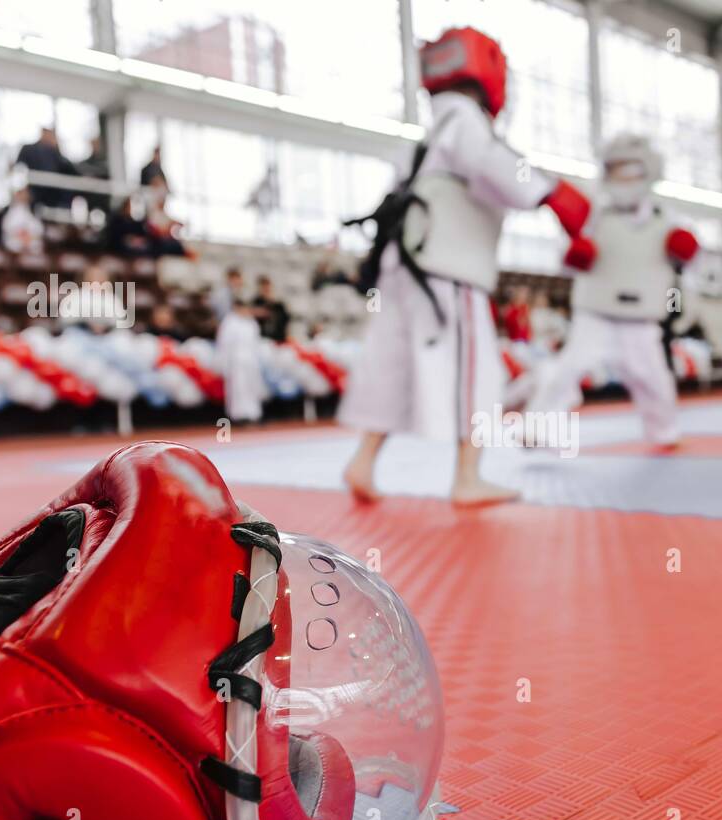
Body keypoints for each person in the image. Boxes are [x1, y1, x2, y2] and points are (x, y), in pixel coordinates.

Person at [338, 26, 591, 505]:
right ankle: (468, 478)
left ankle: (363, 460)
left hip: (406, 269)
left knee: (395, 367)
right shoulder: (466, 123)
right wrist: (552, 194)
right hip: (448, 272)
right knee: (476, 374)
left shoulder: (425, 139)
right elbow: (495, 167)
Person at [526, 133, 697, 448]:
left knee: (653, 379)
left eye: (630, 169)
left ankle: (665, 432)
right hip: (595, 312)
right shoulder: (594, 216)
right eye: (616, 169)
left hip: (642, 316)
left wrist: (687, 251)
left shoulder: (666, 218)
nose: (624, 176)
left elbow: (690, 266)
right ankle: (536, 429)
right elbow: (564, 265)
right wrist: (576, 256)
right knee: (569, 367)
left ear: (647, 171)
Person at [215, 299, 266, 425]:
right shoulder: (229, 322)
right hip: (236, 360)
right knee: (238, 388)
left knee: (251, 387)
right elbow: (224, 344)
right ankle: (239, 415)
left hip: (251, 359)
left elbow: (256, 343)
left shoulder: (251, 322)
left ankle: (254, 414)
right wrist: (225, 364)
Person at [14, 128, 78, 211]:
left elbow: (68, 167)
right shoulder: (28, 149)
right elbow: (19, 168)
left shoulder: (55, 152)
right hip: (36, 191)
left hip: (55, 192)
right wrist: (22, 189)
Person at [0, 187, 44, 255]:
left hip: (31, 245)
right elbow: (6, 227)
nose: (25, 195)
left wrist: (28, 237)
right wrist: (21, 236)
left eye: (26, 193)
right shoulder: (10, 210)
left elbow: (39, 229)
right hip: (14, 245)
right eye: (22, 193)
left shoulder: (33, 211)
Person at [252, 275, 290, 342]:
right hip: (261, 340)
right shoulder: (255, 303)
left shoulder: (279, 305)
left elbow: (286, 320)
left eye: (268, 287)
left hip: (278, 340)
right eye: (264, 287)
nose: (266, 289)